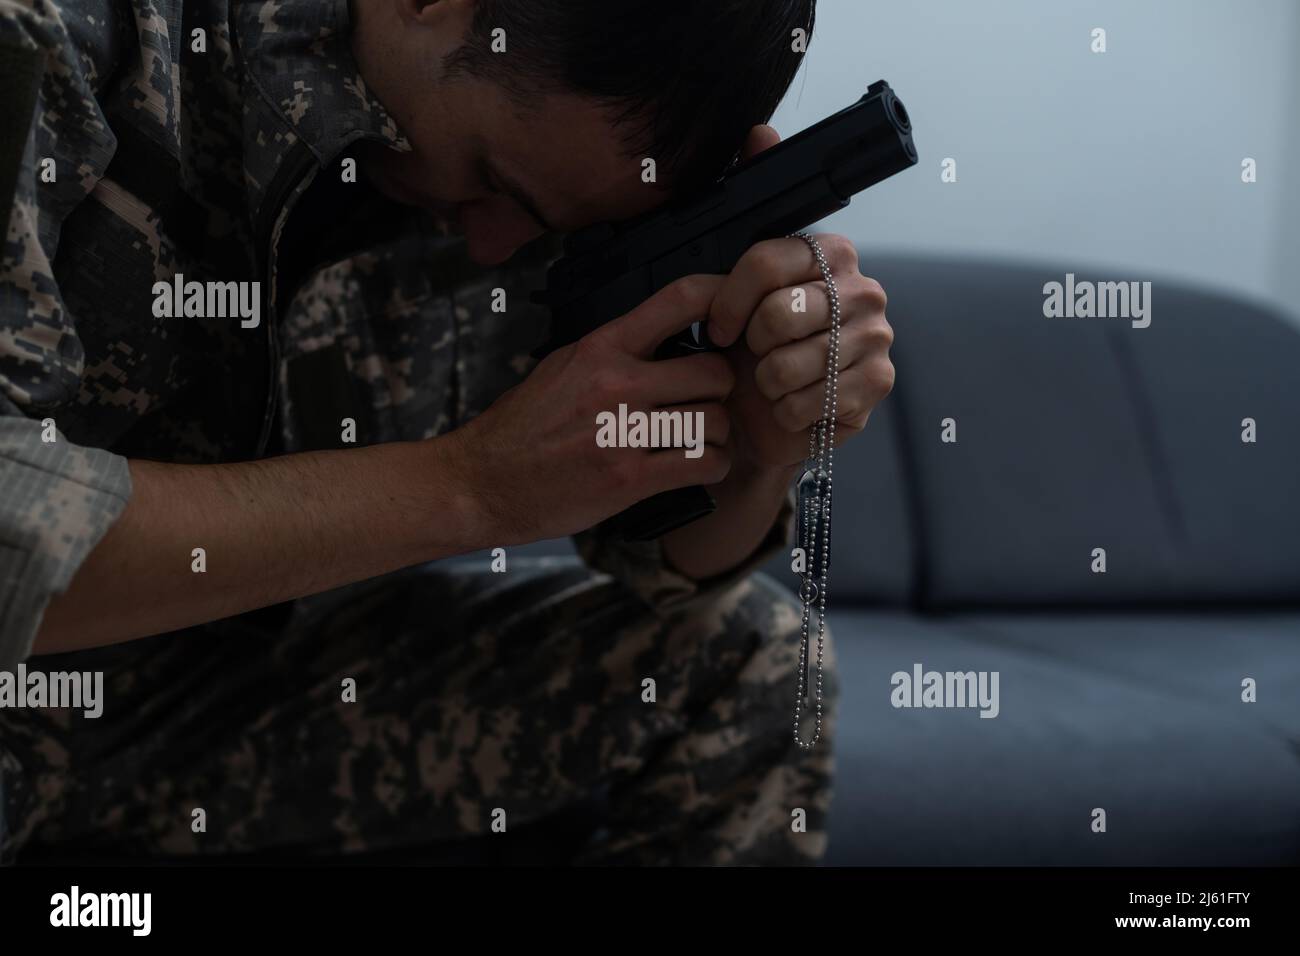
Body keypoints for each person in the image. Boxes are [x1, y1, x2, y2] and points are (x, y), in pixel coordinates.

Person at [0, 0, 894, 864]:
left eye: (546, 220)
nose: (500, 247)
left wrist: (758, 442)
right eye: (491, 178)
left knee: (756, 662)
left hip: (210, 701)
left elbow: (663, 569)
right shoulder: (67, 31)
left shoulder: (553, 162)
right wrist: (473, 488)